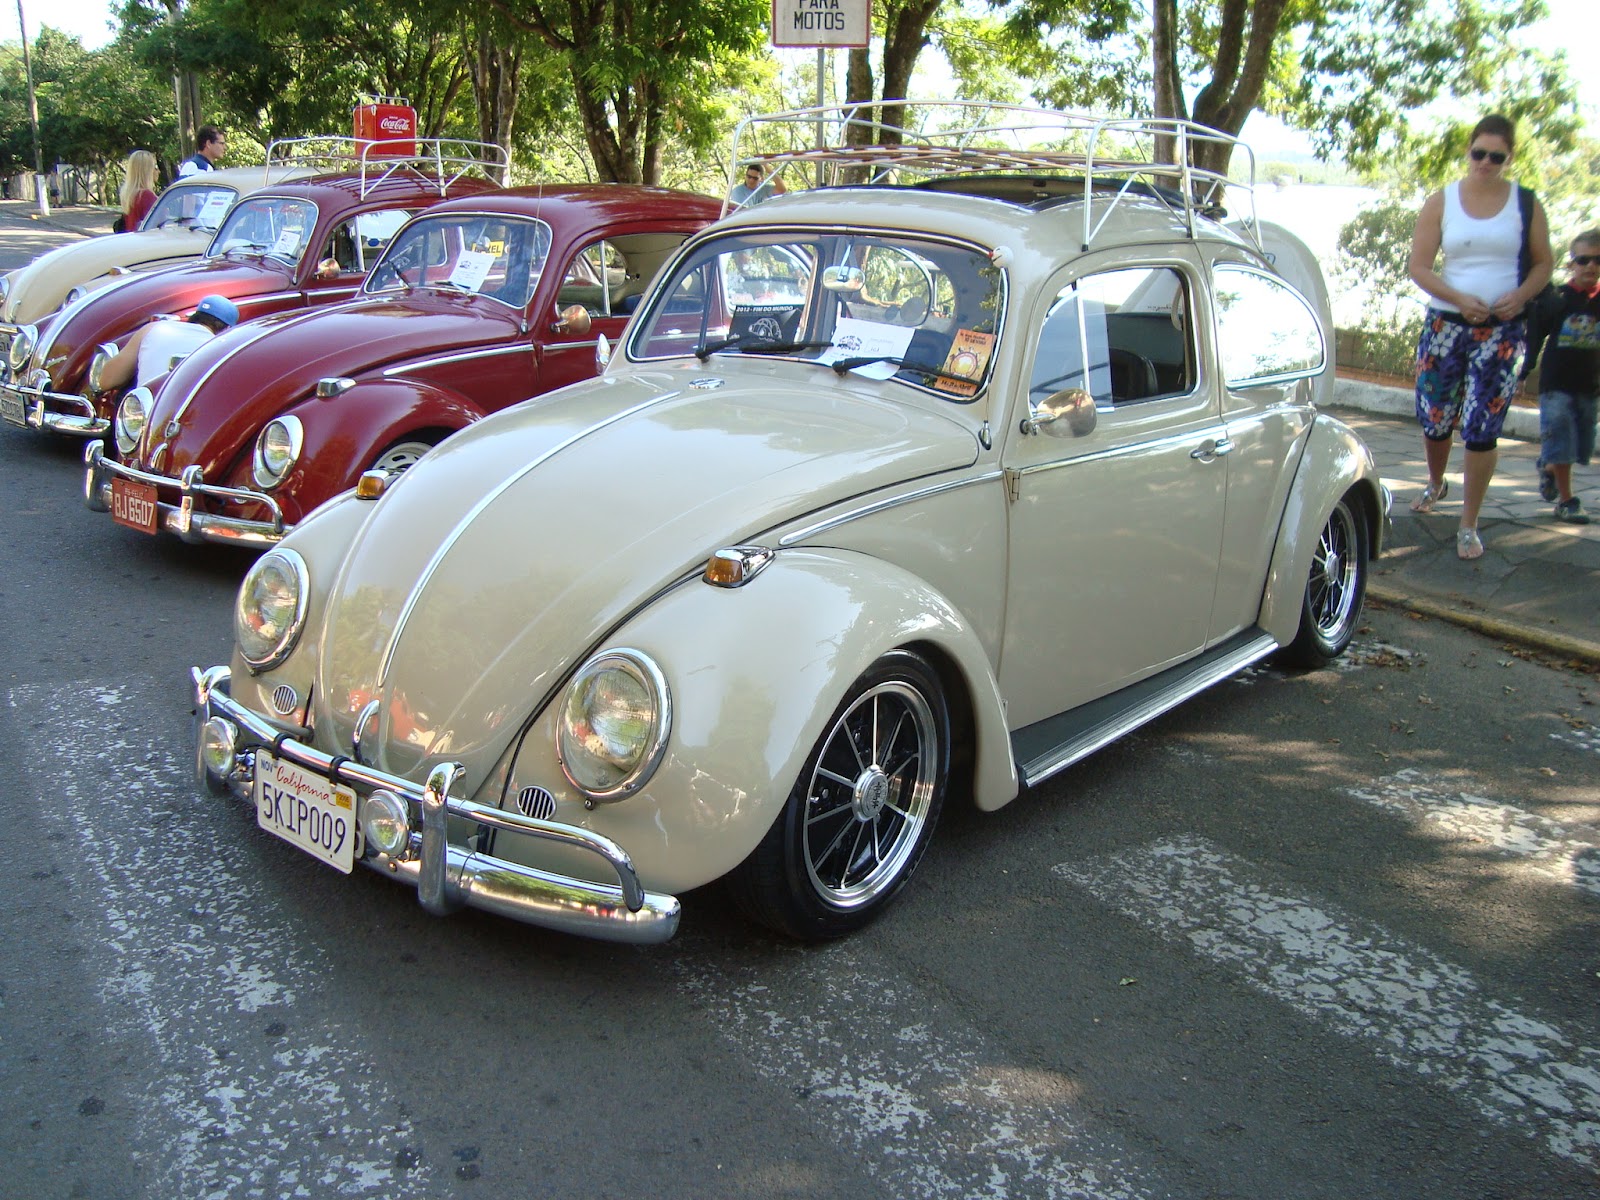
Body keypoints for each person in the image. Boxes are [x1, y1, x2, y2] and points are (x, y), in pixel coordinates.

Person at [1406, 113, 1553, 560]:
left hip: (1502, 331)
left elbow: (1545, 263)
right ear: (1468, 151)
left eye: (1497, 156)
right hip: (1446, 326)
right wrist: (1457, 297)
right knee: (1435, 419)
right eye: (1479, 153)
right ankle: (1436, 482)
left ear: (1509, 158)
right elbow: (1419, 267)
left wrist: (1521, 296)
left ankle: (1468, 524)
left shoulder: (1526, 203)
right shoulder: (1442, 201)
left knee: (1481, 428)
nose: (1486, 163)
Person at [1527, 231, 1600, 524]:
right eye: (1583, 260)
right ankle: (1567, 501)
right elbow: (1534, 333)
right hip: (1556, 385)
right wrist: (1525, 366)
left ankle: (1548, 467)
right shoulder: (1557, 299)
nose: (1590, 266)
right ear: (1572, 265)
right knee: (1562, 436)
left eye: (1597, 260)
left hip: (1589, 387)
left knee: (1581, 446)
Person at [96, 295, 240, 393]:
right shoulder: (218, 346)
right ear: (226, 329)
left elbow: (107, 381)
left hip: (139, 415)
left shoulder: (153, 328)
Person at [117, 150, 158, 233]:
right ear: (147, 171)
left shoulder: (128, 194)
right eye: (155, 167)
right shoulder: (146, 196)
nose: (158, 171)